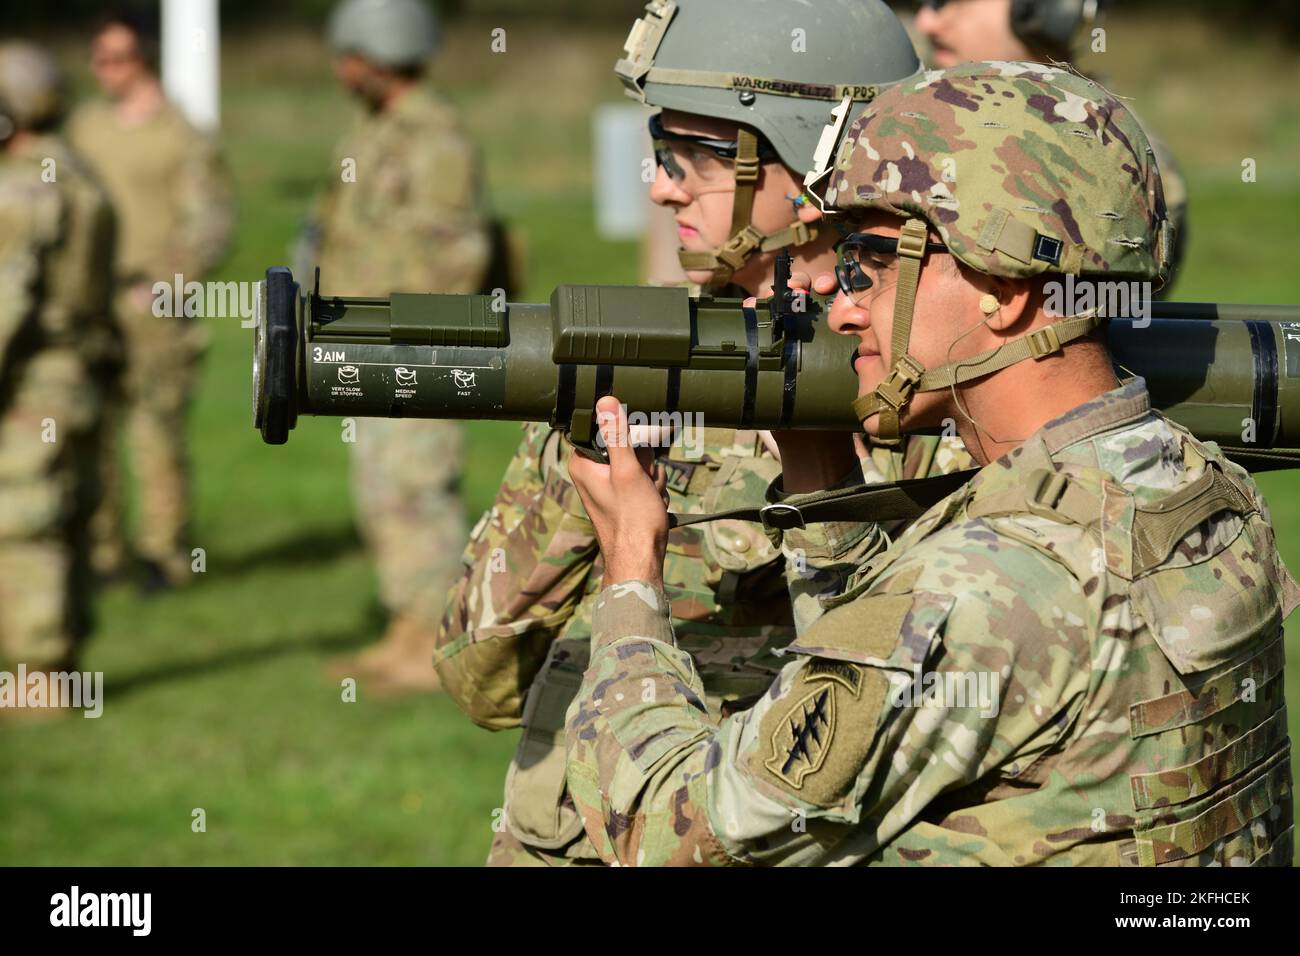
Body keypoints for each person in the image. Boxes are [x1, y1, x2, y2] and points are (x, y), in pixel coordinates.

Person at [563, 62, 1295, 866]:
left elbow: (677, 836)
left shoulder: (994, 584)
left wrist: (631, 569)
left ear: (1005, 290)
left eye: (870, 265)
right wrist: (822, 478)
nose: (840, 307)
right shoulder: (1200, 489)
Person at [432, 0, 970, 866]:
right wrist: (595, 507)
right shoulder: (647, 362)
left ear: (811, 162)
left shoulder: (945, 395)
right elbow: (478, 676)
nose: (659, 184)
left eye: (691, 156)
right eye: (658, 150)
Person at [309, 0, 492, 693]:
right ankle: (406, 629)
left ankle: (437, 641)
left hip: (415, 345)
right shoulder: (372, 130)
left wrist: (403, 325)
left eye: (348, 57)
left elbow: (458, 252)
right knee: (383, 488)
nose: (340, 71)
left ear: (378, 56)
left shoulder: (434, 137)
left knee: (418, 488)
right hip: (368, 342)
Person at [67, 9, 234, 591]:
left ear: (144, 59)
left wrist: (165, 283)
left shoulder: (180, 133)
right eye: (99, 58)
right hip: (91, 301)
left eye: (119, 58)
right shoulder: (86, 128)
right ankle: (102, 552)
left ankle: (162, 553)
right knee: (91, 427)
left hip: (154, 303)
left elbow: (210, 220)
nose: (107, 70)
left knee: (155, 430)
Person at [912, 0, 1188, 283]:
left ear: (1049, 8)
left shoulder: (1119, 154)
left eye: (950, 2)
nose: (926, 23)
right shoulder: (905, 114)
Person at [0, 42, 117, 695]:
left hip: (33, 379)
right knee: (68, 515)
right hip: (78, 376)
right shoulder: (77, 174)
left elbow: (6, 301)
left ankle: (37, 680)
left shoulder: (19, 189)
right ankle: (65, 666)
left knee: (24, 521)